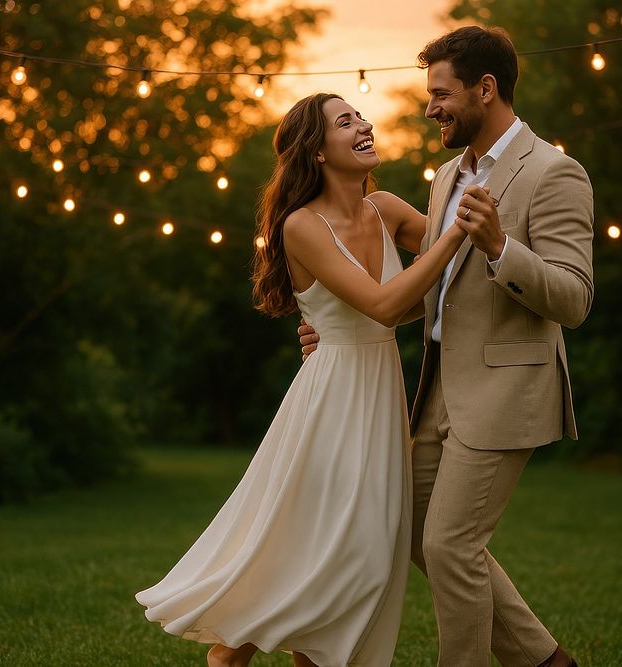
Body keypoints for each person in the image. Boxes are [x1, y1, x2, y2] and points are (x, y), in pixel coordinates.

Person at [135, 93, 468, 667]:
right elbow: (386, 304)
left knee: (360, 549)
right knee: (332, 544)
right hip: (332, 398)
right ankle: (229, 652)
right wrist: (456, 234)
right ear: (316, 151)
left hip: (380, 392)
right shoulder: (301, 226)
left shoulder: (387, 209)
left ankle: (257, 654)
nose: (363, 125)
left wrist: (464, 235)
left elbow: (426, 291)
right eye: (346, 122)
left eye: (360, 117)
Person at [299, 26, 594, 667]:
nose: (430, 107)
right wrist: (343, 324)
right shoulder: (446, 178)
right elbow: (435, 291)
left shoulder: (553, 172)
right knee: (411, 532)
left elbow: (574, 300)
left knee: (452, 547)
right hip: (436, 396)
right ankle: (547, 662)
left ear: (485, 90)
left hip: (504, 389)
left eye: (440, 94)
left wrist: (501, 248)